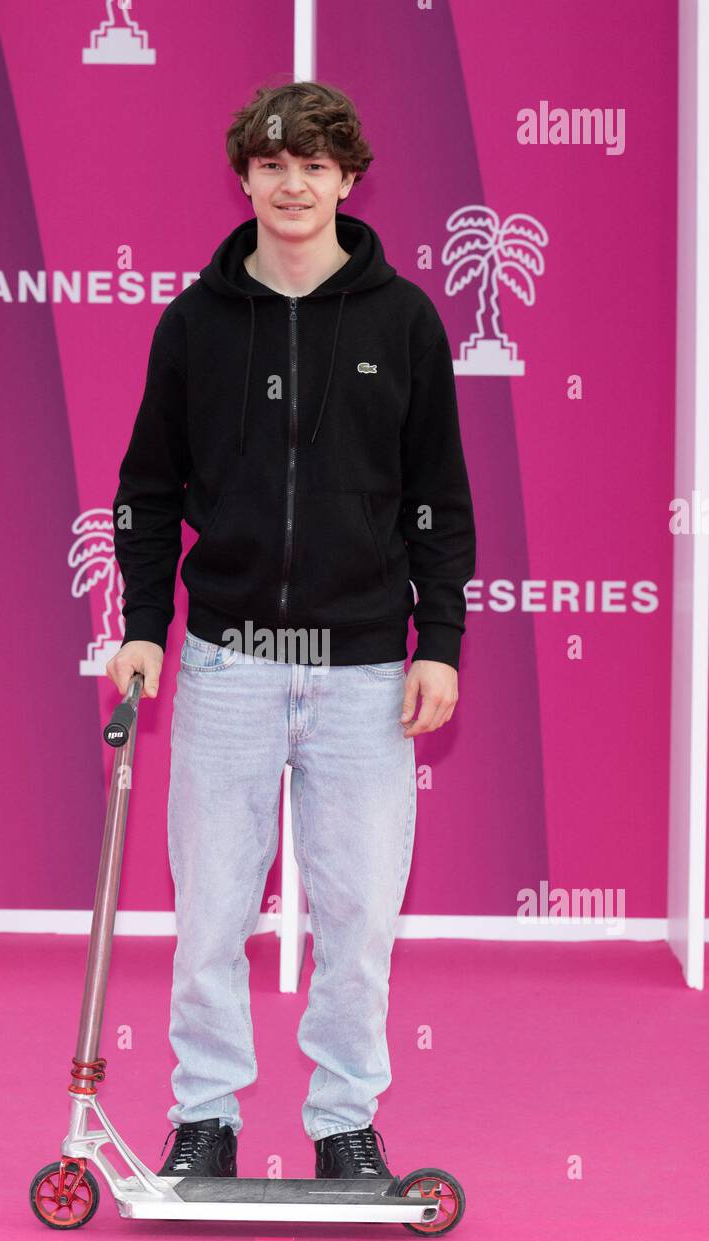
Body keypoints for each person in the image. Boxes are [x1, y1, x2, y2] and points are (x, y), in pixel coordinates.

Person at [108, 80, 476, 1181]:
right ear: (245, 178)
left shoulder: (403, 320)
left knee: (357, 919)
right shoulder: (195, 322)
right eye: (271, 166)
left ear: (347, 180)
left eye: (313, 165)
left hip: (364, 670)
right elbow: (146, 488)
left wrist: (440, 640)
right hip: (226, 665)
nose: (291, 184)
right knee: (212, 910)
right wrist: (141, 625)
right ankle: (205, 1116)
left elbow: (437, 501)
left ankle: (343, 1123)